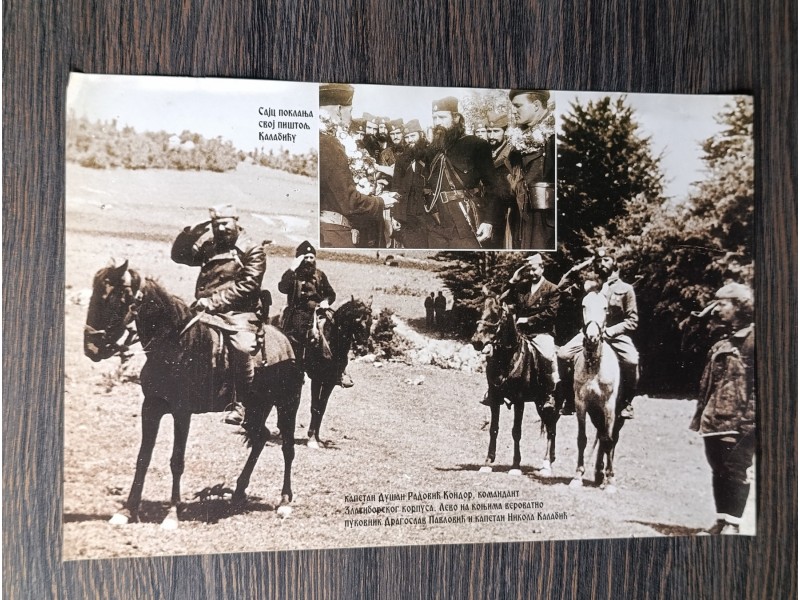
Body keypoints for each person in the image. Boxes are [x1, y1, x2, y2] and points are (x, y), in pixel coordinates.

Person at [171, 203, 267, 426]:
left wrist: (212, 302)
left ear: (236, 221)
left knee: (243, 347)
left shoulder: (252, 250)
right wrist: (189, 234)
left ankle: (241, 403)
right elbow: (180, 257)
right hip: (204, 308)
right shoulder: (210, 245)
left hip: (238, 312)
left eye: (225, 223)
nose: (221, 229)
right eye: (216, 225)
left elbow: (248, 286)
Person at [690, 282, 755, 535]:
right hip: (714, 419)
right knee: (718, 469)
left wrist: (750, 420)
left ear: (739, 306)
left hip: (739, 422)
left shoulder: (753, 340)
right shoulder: (723, 337)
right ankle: (721, 520)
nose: (717, 309)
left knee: (735, 469)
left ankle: (733, 524)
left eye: (722, 303)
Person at [557, 248, 639, 419]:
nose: (602, 264)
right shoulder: (589, 286)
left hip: (614, 335)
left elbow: (632, 320)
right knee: (563, 354)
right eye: (599, 261)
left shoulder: (626, 289)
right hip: (589, 334)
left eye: (607, 260)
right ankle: (570, 399)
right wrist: (580, 267)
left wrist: (611, 331)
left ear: (615, 263)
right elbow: (562, 287)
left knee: (632, 360)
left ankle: (627, 403)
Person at [424, 96, 512, 249]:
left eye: (442, 117)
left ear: (456, 118)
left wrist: (489, 221)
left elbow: (494, 187)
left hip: (464, 219)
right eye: (434, 118)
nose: (437, 122)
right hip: (436, 221)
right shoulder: (432, 150)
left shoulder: (476, 145)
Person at [318, 84, 398, 248]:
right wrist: (381, 201)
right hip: (334, 231)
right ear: (340, 110)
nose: (351, 118)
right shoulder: (329, 143)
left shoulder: (320, 137)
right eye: (351, 111)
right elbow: (349, 201)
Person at [486, 253, 560, 408]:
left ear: (542, 268)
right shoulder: (521, 287)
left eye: (534, 269)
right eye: (529, 271)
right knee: (496, 351)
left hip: (541, 332)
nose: (532, 273)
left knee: (547, 355)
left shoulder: (551, 289)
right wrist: (513, 280)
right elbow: (501, 297)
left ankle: (548, 394)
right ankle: (493, 391)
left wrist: (528, 320)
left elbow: (551, 313)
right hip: (520, 333)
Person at [278, 241, 352, 388]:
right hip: (298, 311)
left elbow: (331, 294)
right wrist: (291, 268)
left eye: (311, 257)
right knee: (297, 333)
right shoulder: (293, 275)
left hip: (318, 310)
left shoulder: (319, 275)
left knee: (337, 330)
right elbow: (282, 288)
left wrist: (326, 301)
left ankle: (339, 370)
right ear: (300, 259)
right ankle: (297, 369)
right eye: (305, 258)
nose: (309, 261)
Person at [508, 89, 556, 249]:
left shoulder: (554, 138)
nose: (513, 111)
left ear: (536, 105)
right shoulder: (517, 141)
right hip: (521, 221)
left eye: (518, 106)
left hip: (545, 226)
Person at [390, 119, 431, 248]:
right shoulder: (402, 160)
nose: (409, 140)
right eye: (406, 137)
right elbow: (395, 187)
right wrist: (395, 215)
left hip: (429, 215)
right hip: (408, 217)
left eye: (413, 136)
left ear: (421, 135)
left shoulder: (430, 156)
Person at [485, 109, 521, 249]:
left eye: (496, 131)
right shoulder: (485, 152)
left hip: (506, 212)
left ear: (505, 132)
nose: (491, 136)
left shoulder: (513, 153)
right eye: (489, 131)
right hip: (487, 209)